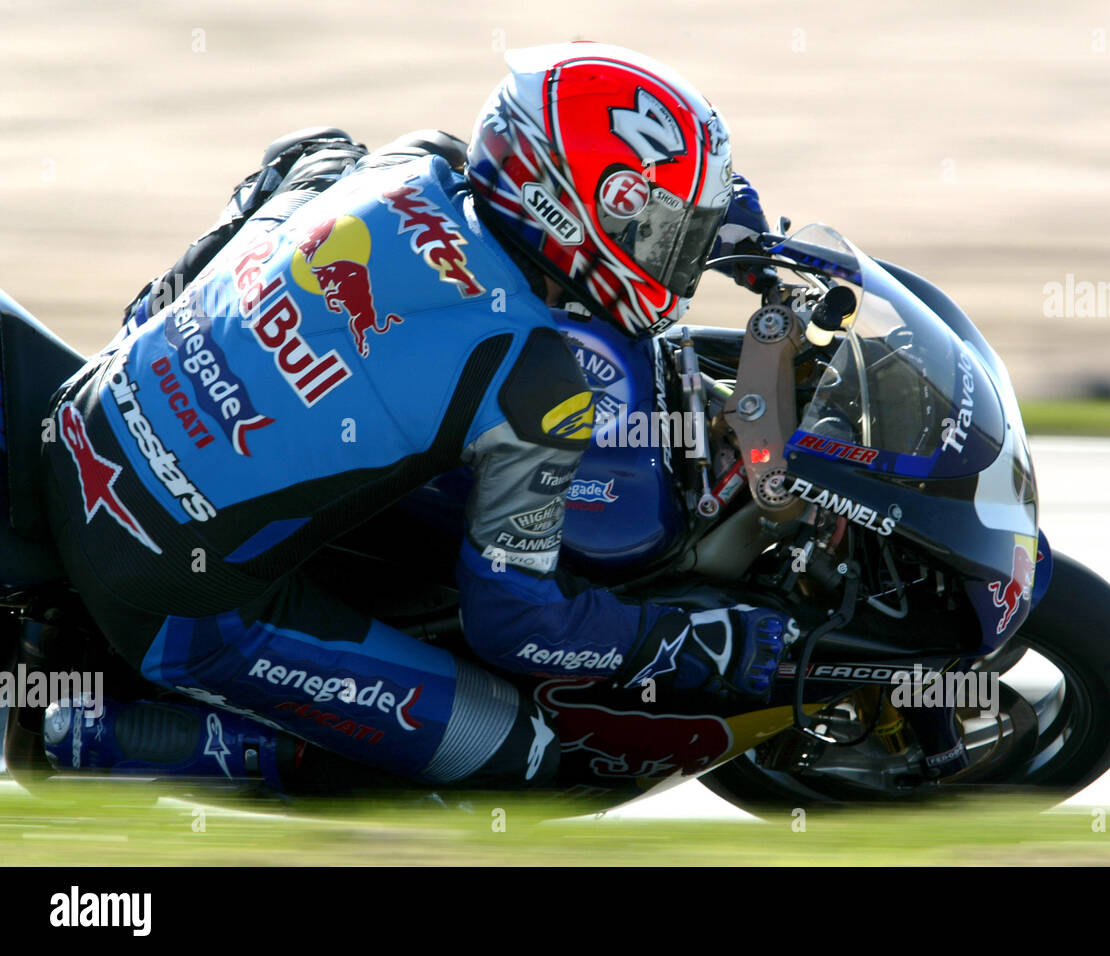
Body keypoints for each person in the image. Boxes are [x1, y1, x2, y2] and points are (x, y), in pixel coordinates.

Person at [38, 42, 790, 790]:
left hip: (84, 414)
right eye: (669, 231)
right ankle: (90, 734)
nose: (677, 256)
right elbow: (519, 626)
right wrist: (689, 641)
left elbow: (299, 157)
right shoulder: (538, 384)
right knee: (518, 748)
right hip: (165, 592)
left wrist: (726, 219)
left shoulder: (409, 161)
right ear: (569, 207)